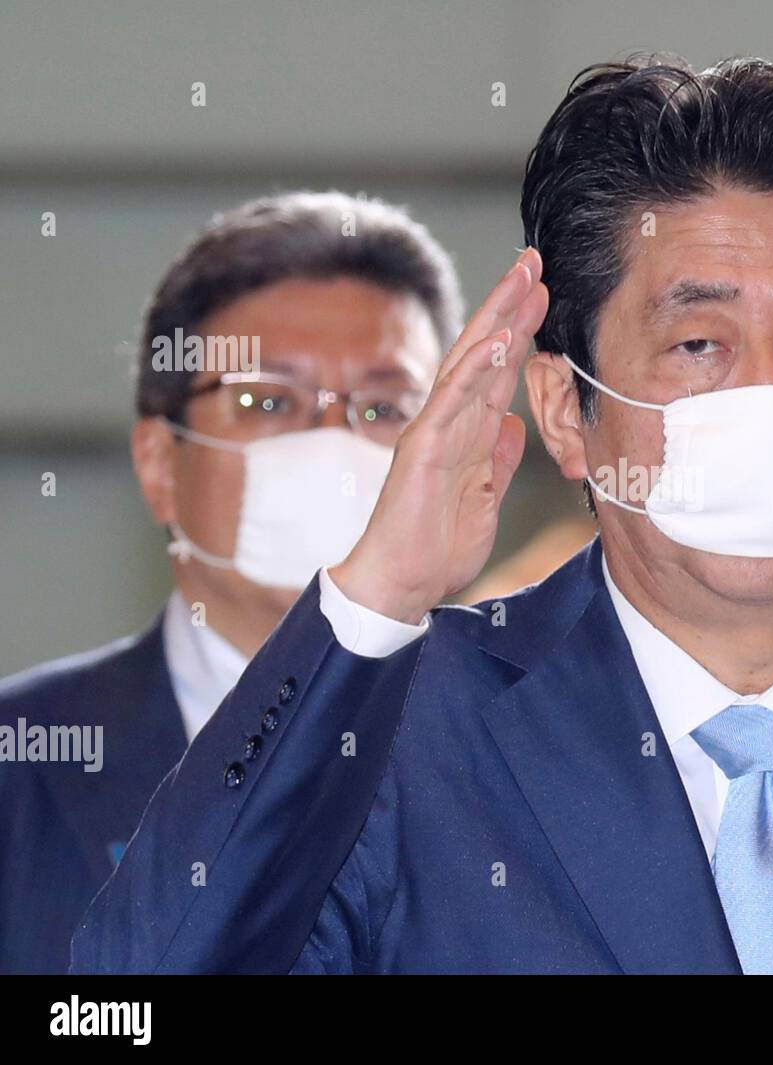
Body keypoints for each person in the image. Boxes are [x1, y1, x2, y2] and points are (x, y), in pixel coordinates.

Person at [73, 58, 773, 974]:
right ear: (566, 409)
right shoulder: (396, 728)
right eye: (697, 345)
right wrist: (373, 596)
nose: (766, 391)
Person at [0, 191, 462, 973]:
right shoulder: (21, 767)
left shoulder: (544, 750)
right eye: (267, 400)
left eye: (385, 407)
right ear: (159, 464)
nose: (333, 443)